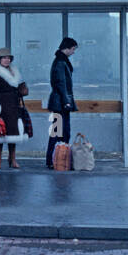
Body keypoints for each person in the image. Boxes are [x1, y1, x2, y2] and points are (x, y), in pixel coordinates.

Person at [0, 47, 27, 169]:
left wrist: (22, 88)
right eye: (4, 57)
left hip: (14, 106)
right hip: (1, 107)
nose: (7, 59)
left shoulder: (15, 72)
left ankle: (12, 159)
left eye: (8, 57)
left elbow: (19, 88)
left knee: (13, 133)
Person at [45, 37, 78, 168]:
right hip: (61, 103)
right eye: (73, 49)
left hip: (60, 102)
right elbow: (61, 83)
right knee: (59, 131)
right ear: (67, 48)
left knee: (60, 131)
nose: (74, 52)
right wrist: (66, 101)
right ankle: (54, 160)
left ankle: (59, 159)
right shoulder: (60, 62)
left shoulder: (61, 61)